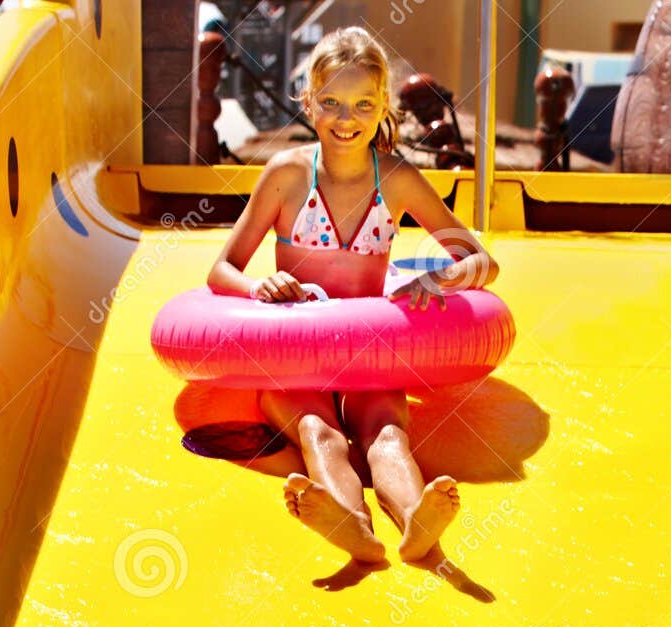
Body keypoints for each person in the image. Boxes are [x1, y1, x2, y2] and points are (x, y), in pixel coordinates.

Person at [205, 26, 499, 568]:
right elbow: (222, 270)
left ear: (383, 104)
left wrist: (437, 281)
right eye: (332, 103)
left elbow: (480, 259)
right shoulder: (286, 175)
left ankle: (417, 522)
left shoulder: (398, 179)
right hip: (294, 352)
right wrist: (258, 286)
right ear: (309, 101)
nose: (347, 119)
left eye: (364, 104)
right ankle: (351, 525)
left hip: (368, 352)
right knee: (319, 433)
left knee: (386, 435)